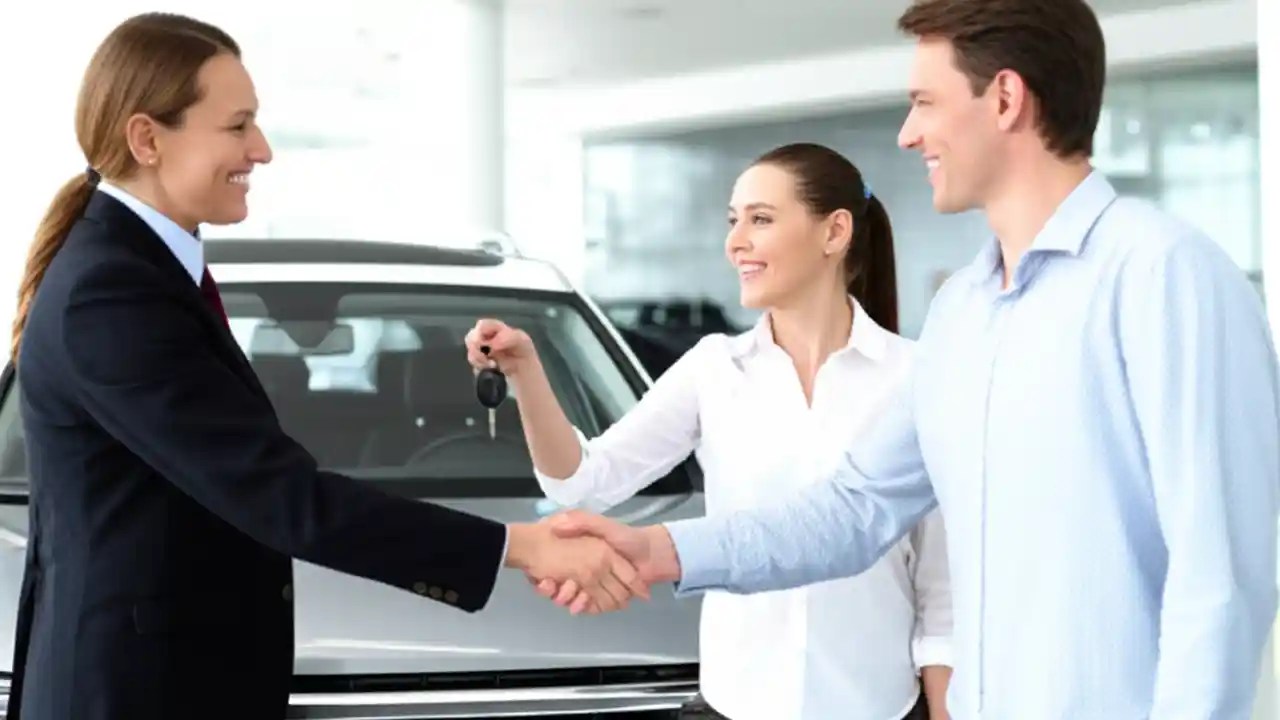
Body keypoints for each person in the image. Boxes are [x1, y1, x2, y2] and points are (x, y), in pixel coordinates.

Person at [539, 1, 1280, 718]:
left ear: (1006, 99)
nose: (906, 134)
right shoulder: (964, 312)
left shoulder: (1166, 278)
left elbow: (1220, 582)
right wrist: (657, 549)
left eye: (924, 102)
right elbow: (853, 511)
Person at [6, 13, 646, 720]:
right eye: (238, 126)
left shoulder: (141, 271)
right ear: (147, 138)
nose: (263, 150)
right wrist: (521, 545)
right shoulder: (111, 293)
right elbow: (280, 497)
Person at [466, 142, 953, 720]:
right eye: (733, 221)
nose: (735, 241)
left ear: (835, 231)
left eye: (760, 219)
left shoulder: (918, 377)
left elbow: (941, 587)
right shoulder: (713, 368)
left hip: (879, 709)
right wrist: (526, 372)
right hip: (734, 706)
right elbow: (582, 482)